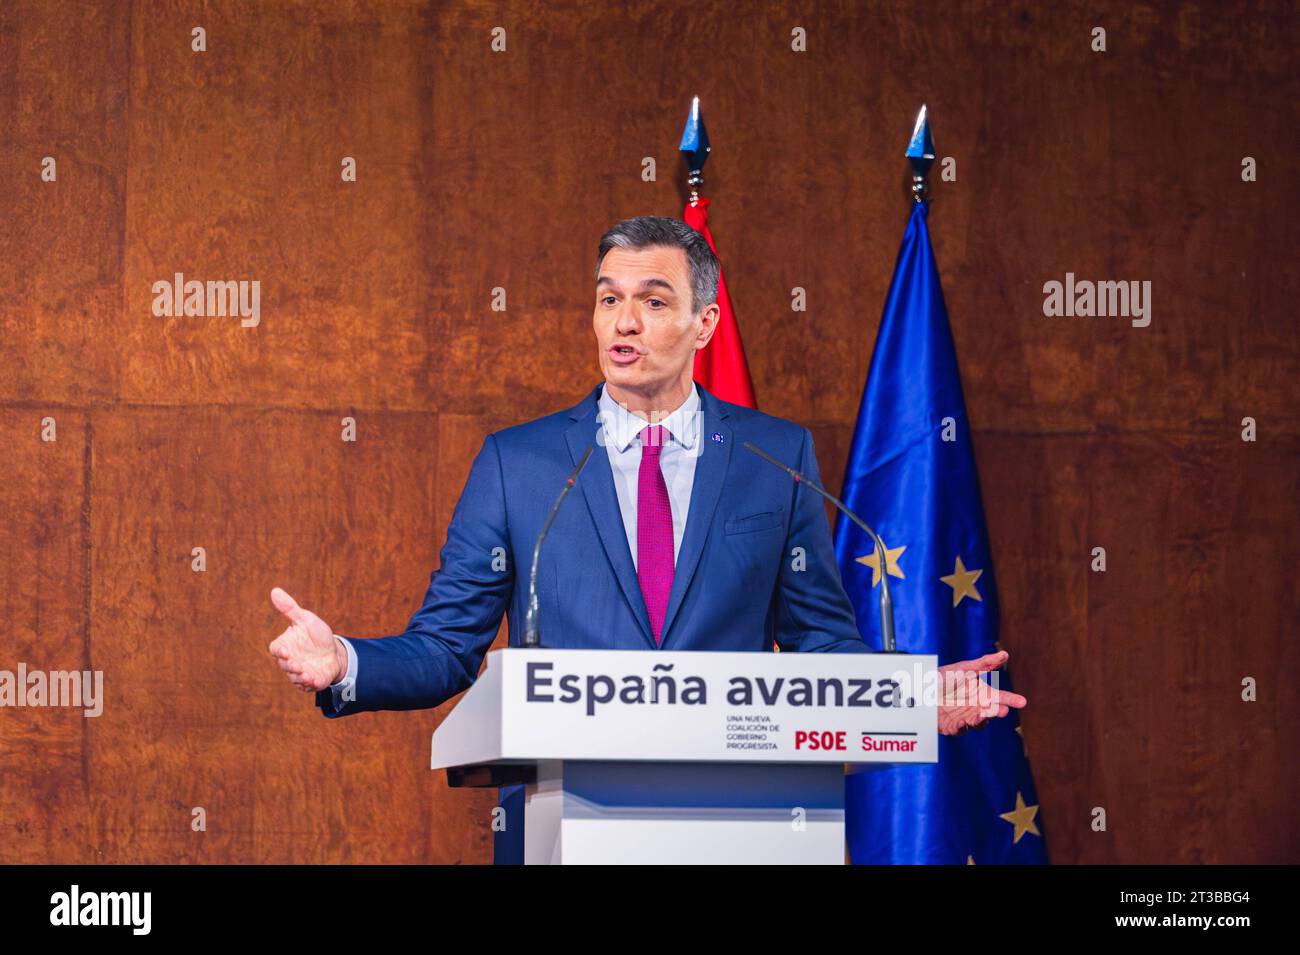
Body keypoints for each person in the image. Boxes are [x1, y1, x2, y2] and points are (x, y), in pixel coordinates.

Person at [268, 215, 1024, 737]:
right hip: (566, 809)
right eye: (608, 300)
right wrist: (345, 661)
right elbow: (445, 648)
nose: (623, 323)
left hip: (735, 817)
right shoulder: (519, 464)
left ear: (704, 323)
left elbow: (821, 646)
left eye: (652, 301)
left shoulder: (776, 458)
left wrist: (909, 697)